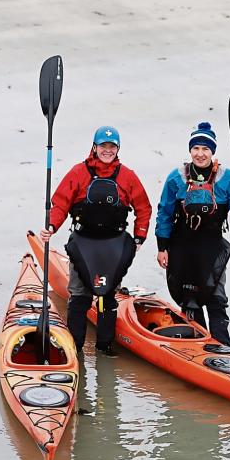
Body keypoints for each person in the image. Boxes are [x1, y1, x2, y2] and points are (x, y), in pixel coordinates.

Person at [39, 126, 151, 356]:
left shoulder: (127, 176)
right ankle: (74, 348)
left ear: (118, 149)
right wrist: (52, 226)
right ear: (94, 147)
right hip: (84, 243)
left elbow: (144, 208)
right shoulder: (79, 172)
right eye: (103, 146)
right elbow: (60, 203)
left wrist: (139, 237)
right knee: (79, 297)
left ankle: (104, 347)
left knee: (108, 297)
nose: (107, 150)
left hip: (113, 245)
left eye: (112, 147)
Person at [155, 121, 230, 347]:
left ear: (212, 152)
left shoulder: (228, 179)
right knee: (190, 302)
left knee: (216, 300)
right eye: (196, 148)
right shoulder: (176, 177)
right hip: (181, 249)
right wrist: (162, 247)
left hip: (212, 250)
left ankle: (222, 352)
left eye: (205, 149)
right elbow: (165, 213)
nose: (200, 154)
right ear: (190, 150)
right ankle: (197, 351)